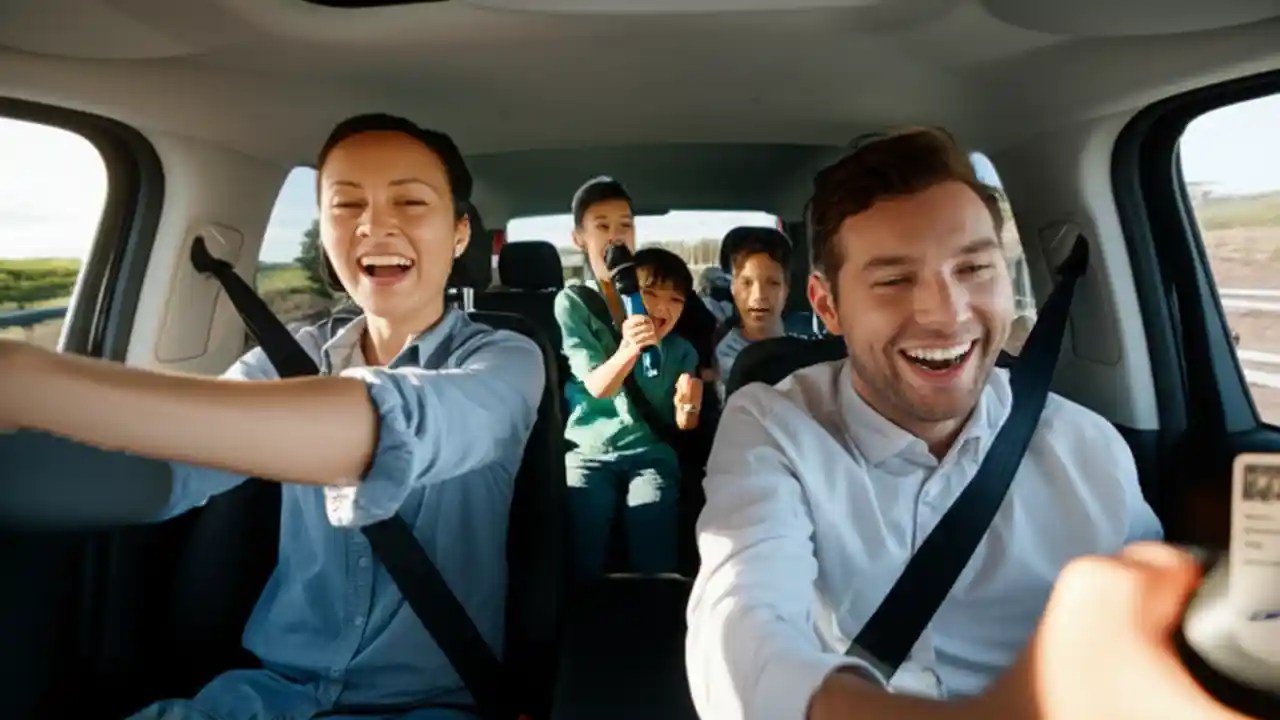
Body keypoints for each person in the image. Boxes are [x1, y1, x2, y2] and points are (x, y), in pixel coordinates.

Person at [0, 113, 545, 719]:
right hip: (270, 695)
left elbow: (400, 424)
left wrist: (30, 381)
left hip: (434, 704)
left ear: (460, 233)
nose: (373, 224)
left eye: (410, 201)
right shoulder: (289, 359)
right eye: (346, 205)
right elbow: (171, 467)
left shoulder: (506, 361)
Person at [684, 126, 1165, 719]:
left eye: (974, 269)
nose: (946, 314)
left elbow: (1151, 633)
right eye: (894, 280)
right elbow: (739, 626)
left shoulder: (1087, 451)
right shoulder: (775, 427)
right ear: (828, 305)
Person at [554, 176, 703, 582]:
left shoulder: (658, 303)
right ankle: (581, 608)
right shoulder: (574, 303)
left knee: (654, 527)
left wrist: (690, 405)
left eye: (625, 226)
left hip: (650, 452)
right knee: (583, 530)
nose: (616, 236)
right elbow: (598, 386)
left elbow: (685, 417)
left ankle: (658, 609)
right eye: (602, 226)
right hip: (590, 449)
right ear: (579, 238)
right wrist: (627, 348)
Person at [713, 226, 794, 390]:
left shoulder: (805, 345)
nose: (759, 295)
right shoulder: (728, 354)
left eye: (773, 283)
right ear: (733, 289)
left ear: (786, 289)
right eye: (747, 283)